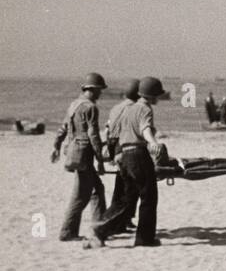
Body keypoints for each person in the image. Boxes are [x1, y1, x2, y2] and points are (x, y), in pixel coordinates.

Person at [93, 76, 167, 247]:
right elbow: (145, 128)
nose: (158, 98)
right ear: (151, 95)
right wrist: (153, 142)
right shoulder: (145, 109)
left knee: (128, 199)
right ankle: (144, 239)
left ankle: (101, 230)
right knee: (148, 198)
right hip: (139, 154)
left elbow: (113, 132)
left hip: (125, 156)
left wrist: (114, 154)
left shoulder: (128, 109)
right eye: (157, 95)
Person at [51, 72, 108, 241]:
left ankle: (99, 228)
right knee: (80, 197)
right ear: (92, 89)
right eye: (99, 90)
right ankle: (67, 232)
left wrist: (56, 146)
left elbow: (63, 127)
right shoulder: (90, 107)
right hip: (84, 156)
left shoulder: (74, 105)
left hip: (74, 152)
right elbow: (93, 135)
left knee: (97, 190)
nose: (101, 93)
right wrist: (100, 160)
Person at [102, 80, 140, 237]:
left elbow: (109, 132)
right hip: (127, 152)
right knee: (129, 190)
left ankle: (124, 220)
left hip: (118, 151)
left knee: (122, 187)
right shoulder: (135, 108)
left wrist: (111, 153)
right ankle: (118, 222)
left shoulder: (116, 108)